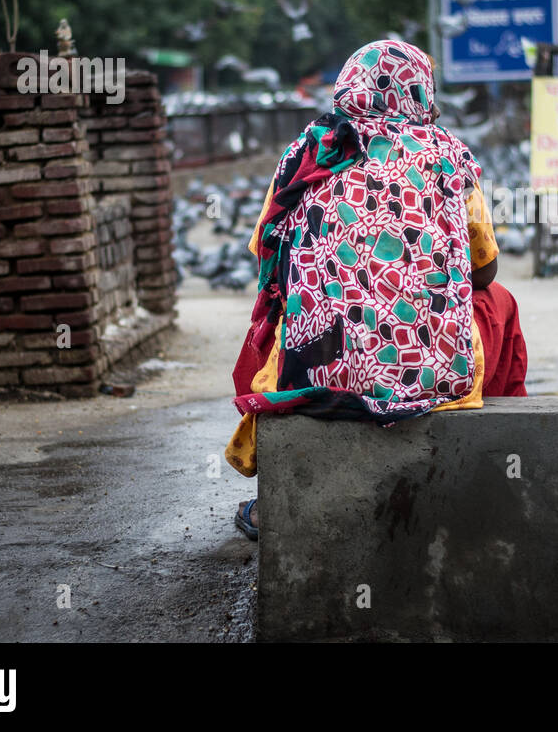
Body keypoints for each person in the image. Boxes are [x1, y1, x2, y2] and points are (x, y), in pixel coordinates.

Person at [226, 39, 528, 539]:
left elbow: (267, 255)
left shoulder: (307, 152)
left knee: (287, 318)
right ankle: (490, 471)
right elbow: (484, 271)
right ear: (421, 93)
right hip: (433, 375)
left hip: (318, 370)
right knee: (500, 304)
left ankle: (274, 501)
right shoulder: (449, 155)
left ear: (348, 87)